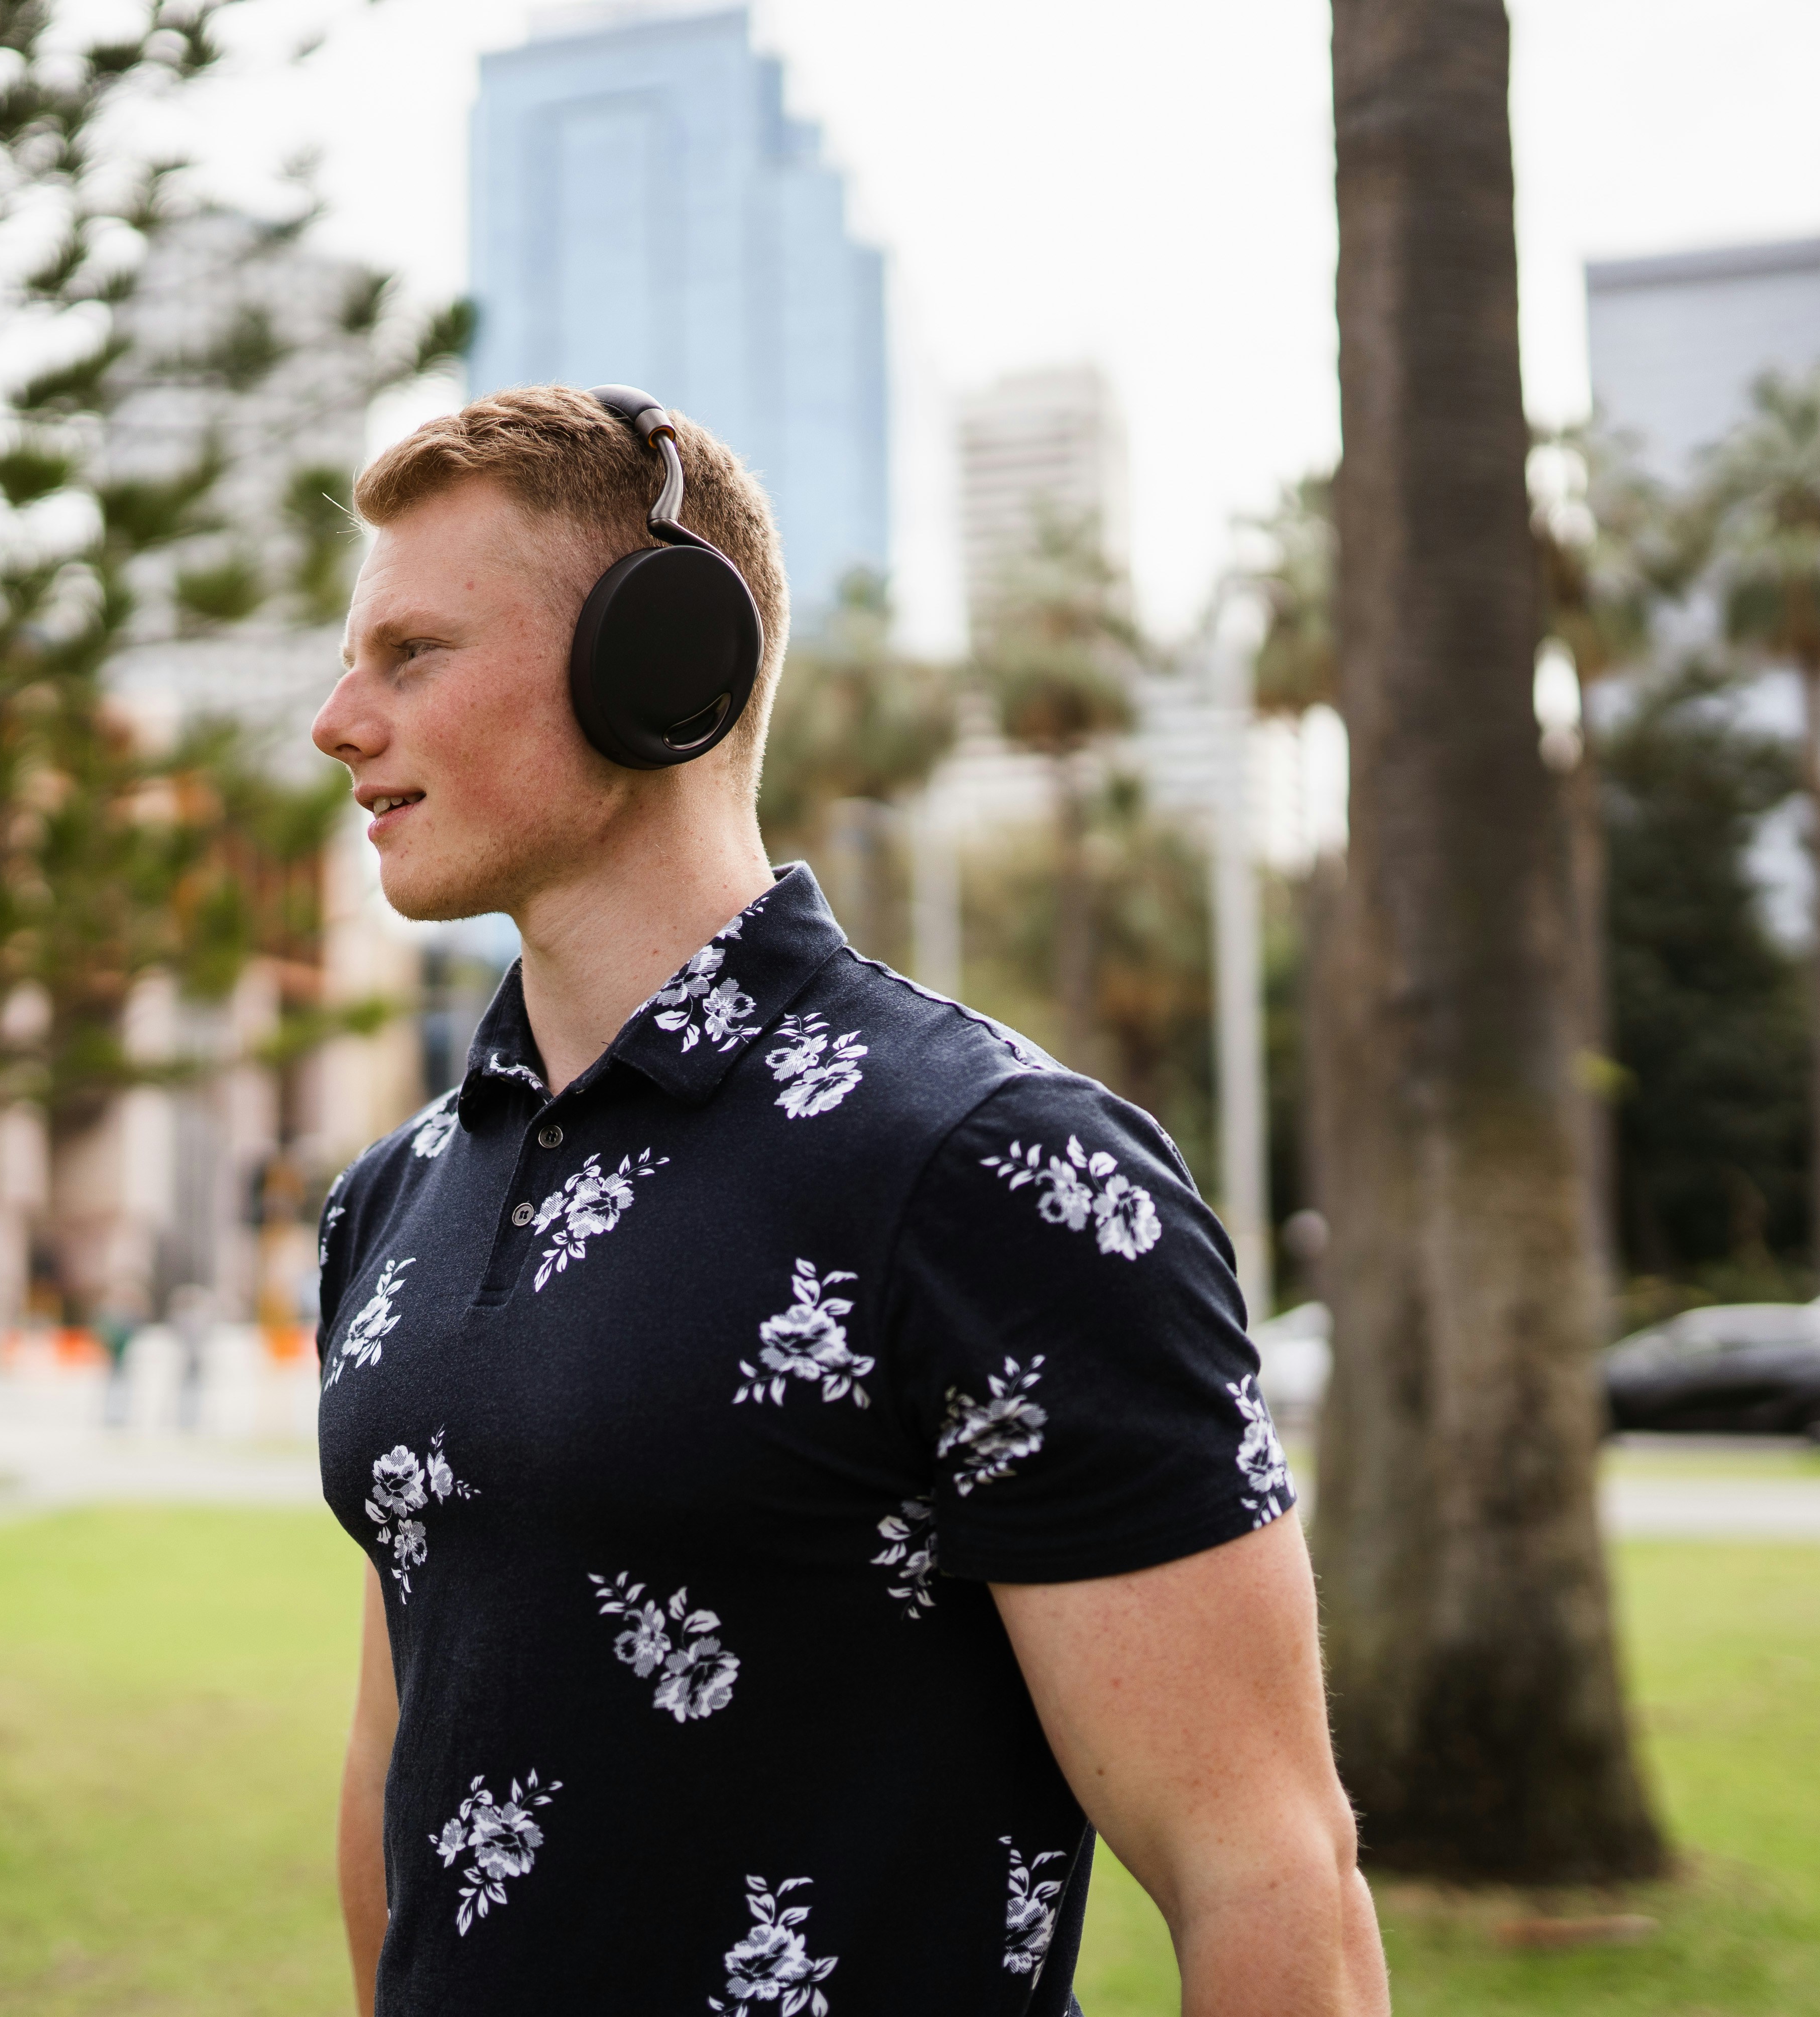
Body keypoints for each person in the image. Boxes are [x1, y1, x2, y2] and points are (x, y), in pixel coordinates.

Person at [308, 386, 1387, 2016]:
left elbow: (1264, 1871)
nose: (338, 720)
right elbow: (403, 1758)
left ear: (660, 663)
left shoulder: (999, 1174)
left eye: (412, 655)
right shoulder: (389, 1205)